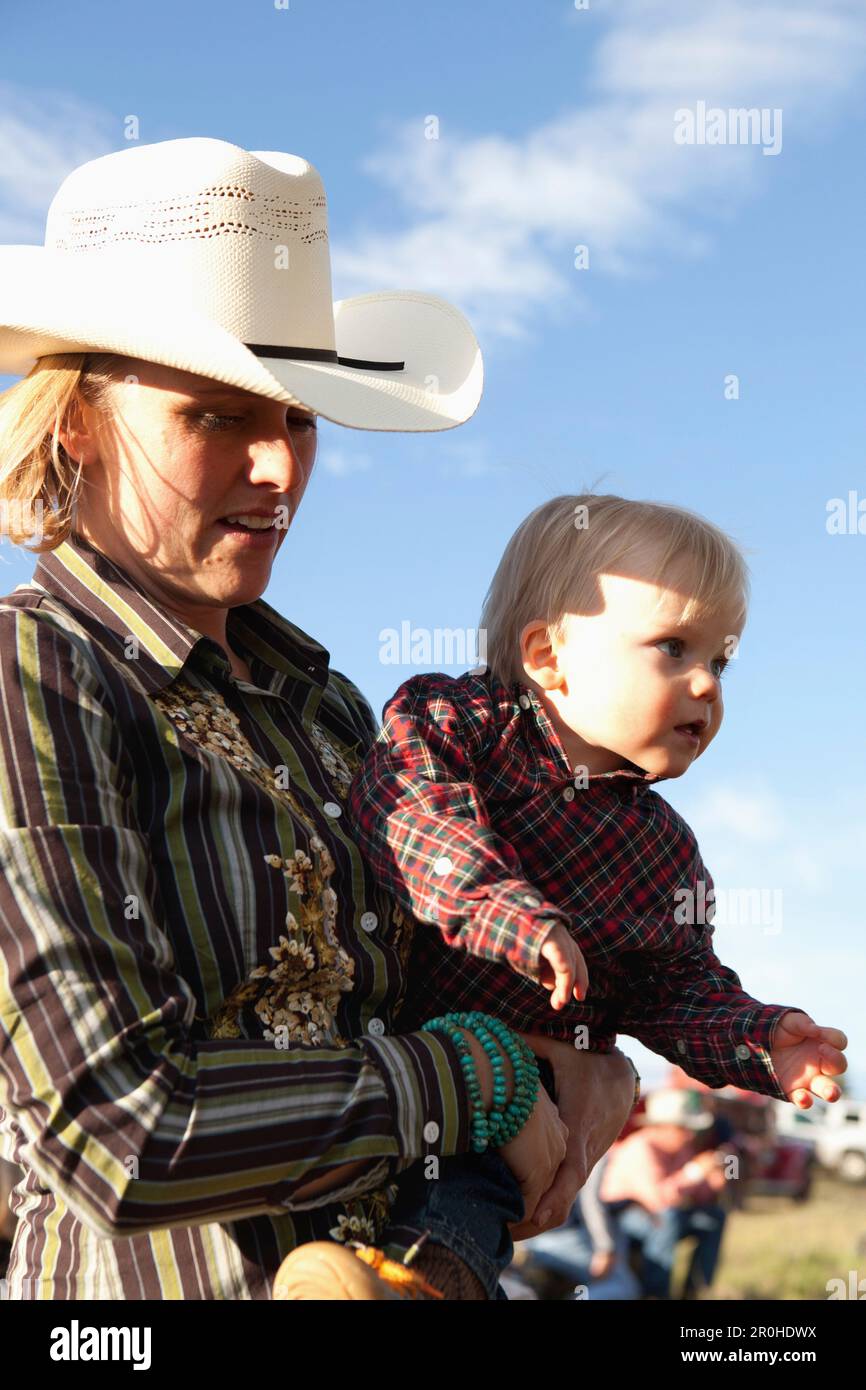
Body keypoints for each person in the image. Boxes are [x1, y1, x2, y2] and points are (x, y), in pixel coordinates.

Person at [0, 136, 639, 1301]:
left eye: (297, 419)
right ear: (78, 424)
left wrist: (573, 1052)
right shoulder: (29, 673)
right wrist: (473, 1075)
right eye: (212, 417)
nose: (279, 468)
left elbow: (426, 995)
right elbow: (116, 1128)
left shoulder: (330, 708)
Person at [347, 491, 849, 1297]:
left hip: (514, 1104)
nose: (708, 685)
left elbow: (676, 989)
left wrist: (760, 1041)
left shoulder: (661, 848)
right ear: (549, 655)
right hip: (386, 1050)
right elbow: (416, 816)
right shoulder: (459, 723)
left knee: (471, 1195)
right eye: (674, 648)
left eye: (720, 660)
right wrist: (510, 912)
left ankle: (420, 1287)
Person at [599, 1088, 735, 1298]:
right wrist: (695, 1172)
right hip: (619, 1219)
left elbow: (694, 1194)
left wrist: (713, 1183)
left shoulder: (679, 1149)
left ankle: (695, 1290)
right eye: (684, 1128)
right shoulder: (640, 1148)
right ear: (663, 1127)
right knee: (667, 1218)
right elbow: (660, 1201)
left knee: (714, 1217)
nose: (690, 1134)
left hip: (654, 1216)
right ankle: (656, 1294)